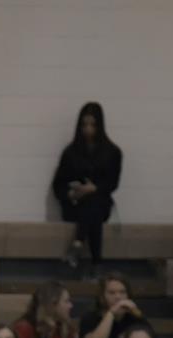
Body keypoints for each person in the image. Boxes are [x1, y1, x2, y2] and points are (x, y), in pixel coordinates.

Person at [52, 102, 122, 268]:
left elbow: (112, 184)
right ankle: (96, 262)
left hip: (100, 204)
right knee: (91, 206)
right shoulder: (70, 152)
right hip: (75, 205)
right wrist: (72, 193)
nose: (88, 129)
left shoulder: (113, 152)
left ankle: (78, 242)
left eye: (92, 125)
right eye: (84, 125)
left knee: (93, 202)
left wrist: (94, 188)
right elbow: (58, 185)